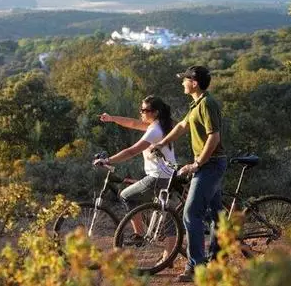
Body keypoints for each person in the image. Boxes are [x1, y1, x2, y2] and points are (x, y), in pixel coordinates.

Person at [154, 66, 227, 282]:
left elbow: (214, 137)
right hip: (209, 165)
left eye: (184, 80)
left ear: (194, 83)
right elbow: (182, 126)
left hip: (210, 165)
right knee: (216, 216)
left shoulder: (206, 104)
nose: (182, 83)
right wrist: (163, 142)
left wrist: (197, 164)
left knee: (190, 214)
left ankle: (196, 267)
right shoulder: (196, 104)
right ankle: (216, 262)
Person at [93, 95, 176, 260]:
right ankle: (167, 255)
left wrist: (107, 160)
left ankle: (140, 234)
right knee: (166, 215)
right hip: (167, 175)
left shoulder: (155, 131)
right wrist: (111, 118)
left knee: (126, 195)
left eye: (145, 110)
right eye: (141, 109)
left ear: (156, 112)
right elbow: (132, 123)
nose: (141, 113)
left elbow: (132, 151)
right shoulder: (158, 125)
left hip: (159, 177)